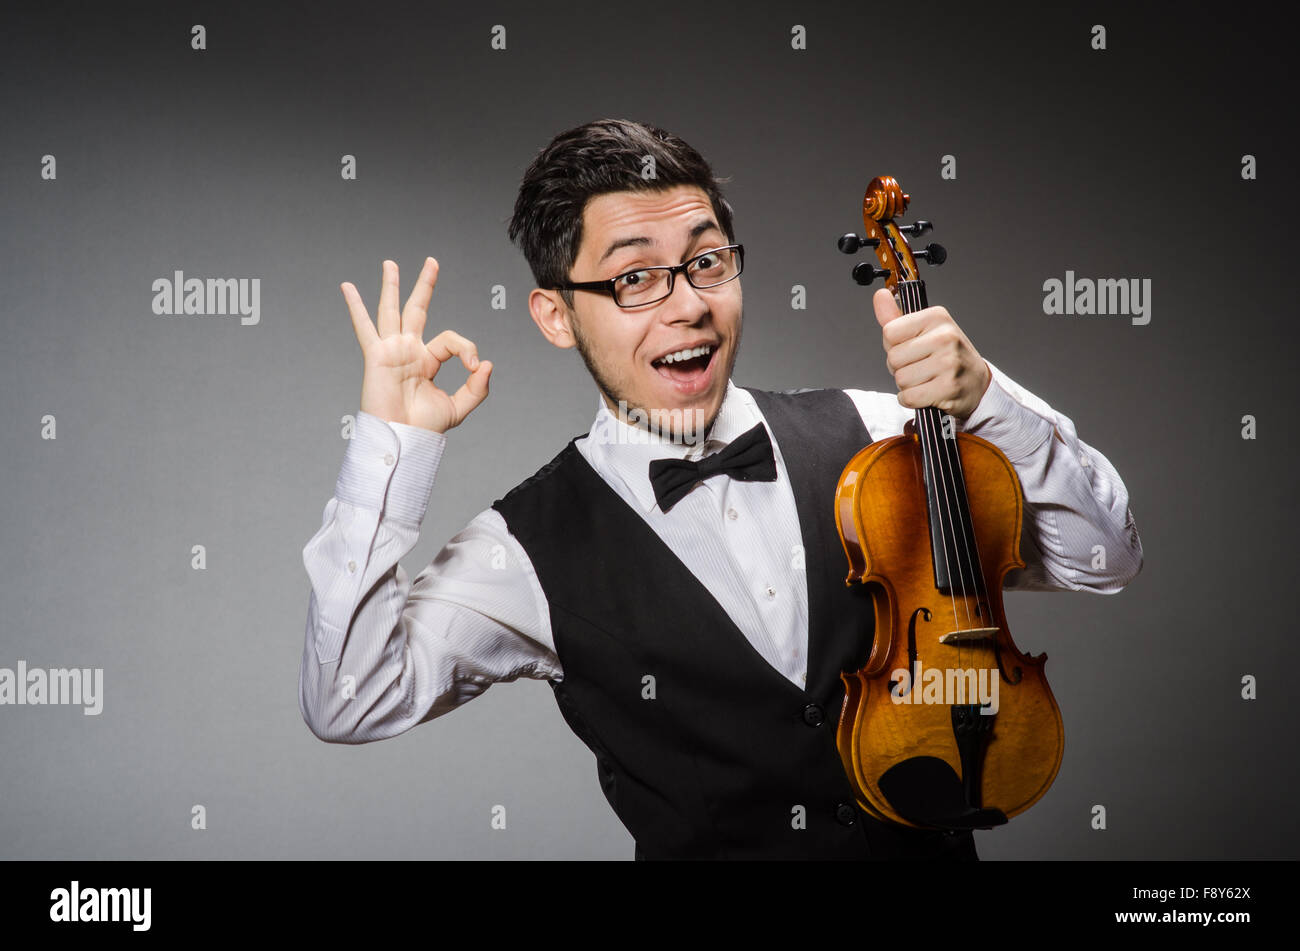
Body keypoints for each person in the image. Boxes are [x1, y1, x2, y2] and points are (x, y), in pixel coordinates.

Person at [298, 118, 1143, 860]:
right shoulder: (524, 545)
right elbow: (349, 697)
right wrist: (394, 447)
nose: (688, 305)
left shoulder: (882, 431)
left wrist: (990, 399)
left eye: (706, 261)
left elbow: (1104, 557)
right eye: (635, 278)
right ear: (557, 316)